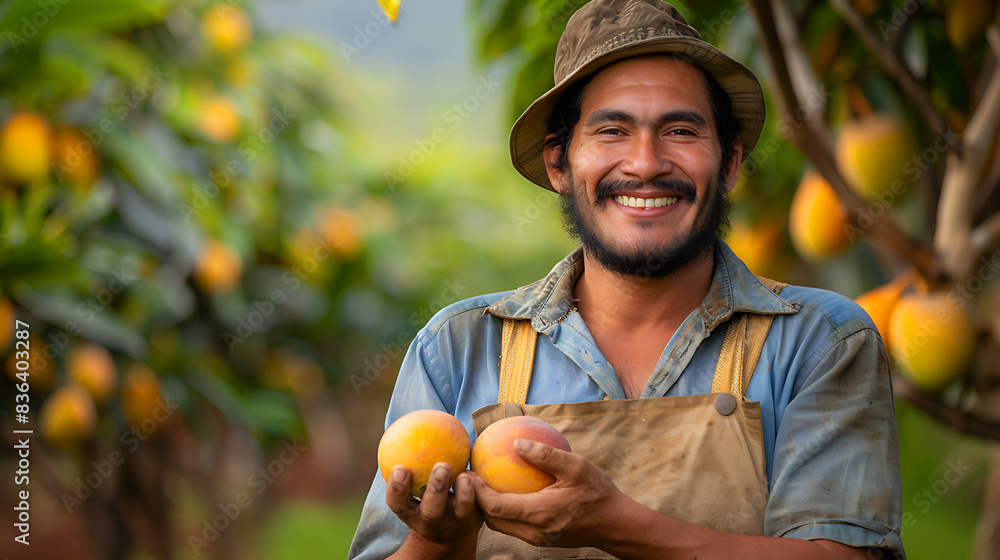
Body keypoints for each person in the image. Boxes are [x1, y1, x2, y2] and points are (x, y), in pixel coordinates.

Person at [348, 0, 905, 558]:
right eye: (612, 131)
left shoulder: (819, 341)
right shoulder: (459, 347)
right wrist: (437, 540)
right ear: (559, 165)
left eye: (681, 130)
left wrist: (619, 524)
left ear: (730, 163)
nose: (645, 163)